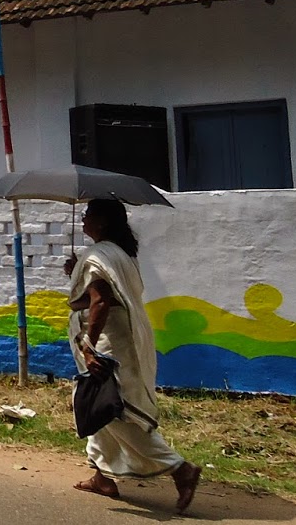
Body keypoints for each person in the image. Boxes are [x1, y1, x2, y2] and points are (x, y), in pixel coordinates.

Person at [68, 198, 202, 513]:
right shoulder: (119, 254)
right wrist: (73, 272)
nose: (83, 219)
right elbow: (100, 294)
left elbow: (100, 302)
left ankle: (180, 469)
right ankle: (102, 477)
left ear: (100, 223)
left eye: (88, 215)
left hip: (108, 345)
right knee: (97, 406)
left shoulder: (100, 256)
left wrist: (89, 345)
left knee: (115, 412)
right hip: (121, 340)